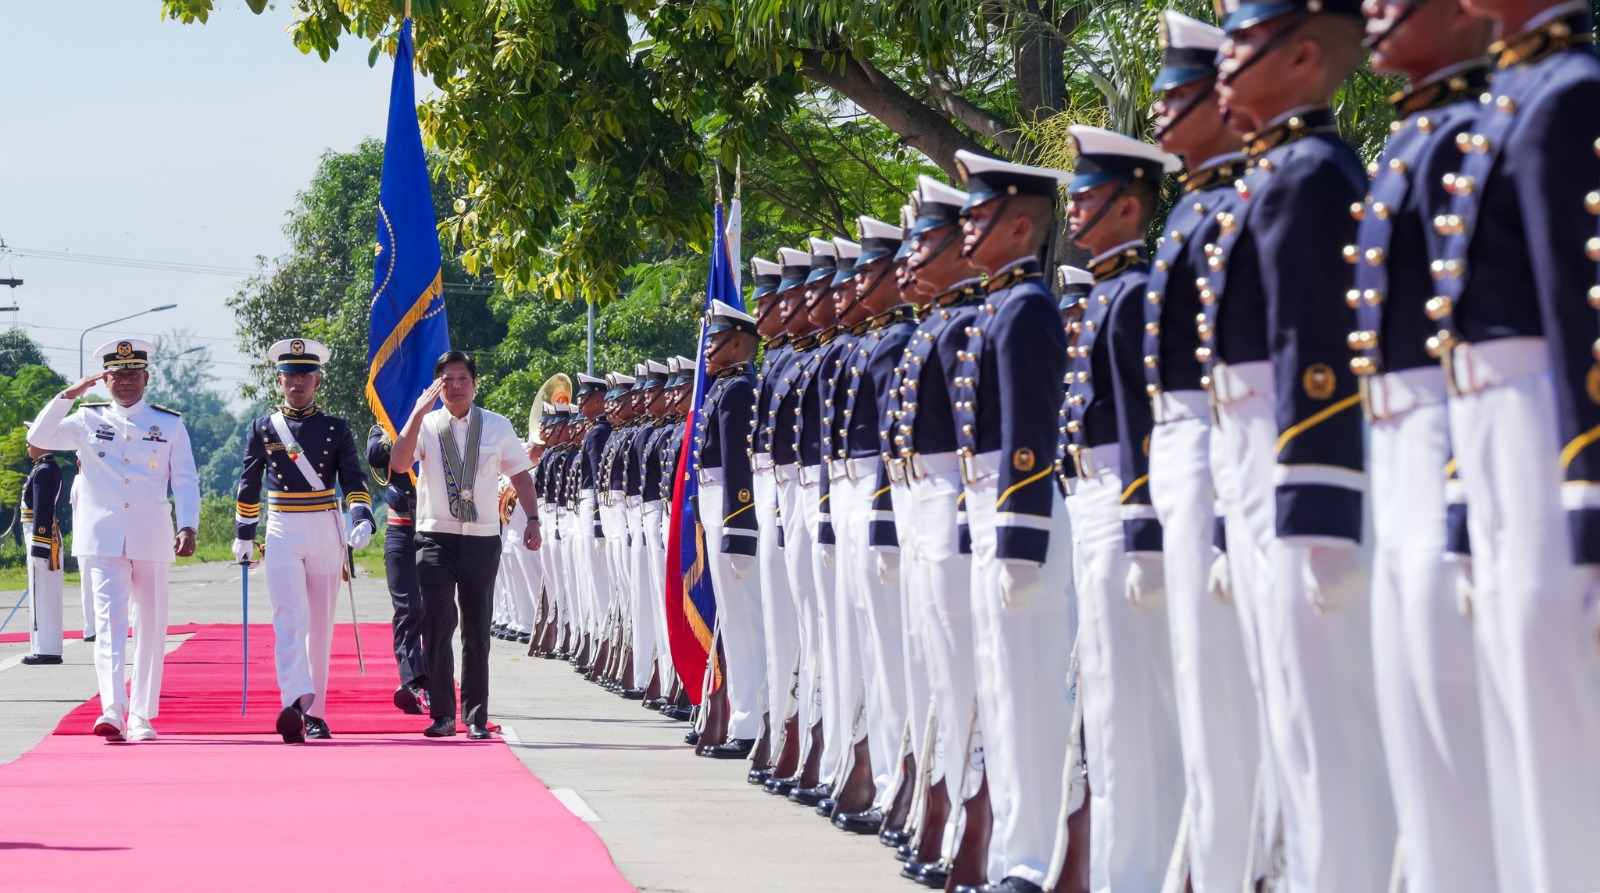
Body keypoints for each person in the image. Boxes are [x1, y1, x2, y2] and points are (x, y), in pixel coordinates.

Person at [1209, 0, 1396, 883]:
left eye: (1241, 42)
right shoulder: (1280, 170)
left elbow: (1315, 351)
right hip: (1254, 461)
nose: (1222, 63)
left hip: (1295, 467)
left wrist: (1316, 506)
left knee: (1326, 727)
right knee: (1288, 713)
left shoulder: (1312, 173)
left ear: (1304, 55)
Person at [1419, 0, 1600, 885]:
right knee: (1512, 721)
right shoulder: (1514, 93)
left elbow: (1586, 314)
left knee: (1561, 733)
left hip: (1544, 441)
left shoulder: (1570, 92)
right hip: (1492, 436)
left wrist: (1590, 496)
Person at [1351, 0, 1500, 887]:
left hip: (1452, 449)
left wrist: (1459, 484)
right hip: (1400, 451)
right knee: (1417, 729)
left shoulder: (1468, 132)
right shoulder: (1417, 137)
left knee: (1464, 733)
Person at [1144, 12, 1266, 888]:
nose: (1163, 115)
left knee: (1236, 697)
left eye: (1179, 96)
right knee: (1199, 691)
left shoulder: (1237, 206)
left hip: (1232, 452)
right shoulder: (1197, 210)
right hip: (1186, 451)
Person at [1054, 128, 1187, 890]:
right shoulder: (1111, 291)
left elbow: (1142, 420)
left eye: (1087, 194)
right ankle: (1119, 864)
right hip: (1095, 495)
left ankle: (1137, 867)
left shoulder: (1132, 295)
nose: (1074, 207)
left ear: (1130, 204)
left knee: (1133, 701)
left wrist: (1142, 521)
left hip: (1120, 500)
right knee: (1106, 696)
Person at [950, 150, 1075, 893]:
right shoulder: (999, 305)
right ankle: (1013, 850)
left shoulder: (1027, 309)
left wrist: (1018, 538)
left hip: (1022, 516)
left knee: (1029, 696)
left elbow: (1028, 429)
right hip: (995, 511)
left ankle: (1035, 858)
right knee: (1002, 691)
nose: (968, 225)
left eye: (979, 212)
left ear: (1020, 224)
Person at [27, 338, 200, 743]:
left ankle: (141, 715)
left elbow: (186, 479)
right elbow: (38, 438)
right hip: (102, 538)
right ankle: (112, 709)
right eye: (116, 375)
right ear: (105, 379)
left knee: (152, 627)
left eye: (132, 374)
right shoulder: (85, 420)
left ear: (146, 377)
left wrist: (188, 525)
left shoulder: (170, 423)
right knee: (108, 626)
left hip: (152, 535)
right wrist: (67, 396)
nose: (124, 382)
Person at [390, 350, 541, 739]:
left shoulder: (496, 426)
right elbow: (399, 462)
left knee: (476, 630)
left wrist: (533, 520)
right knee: (437, 627)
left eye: (463, 379)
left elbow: (521, 476)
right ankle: (442, 715)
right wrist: (415, 414)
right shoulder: (426, 425)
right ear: (437, 385)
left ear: (475, 384)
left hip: (482, 539)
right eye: (448, 380)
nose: (456, 387)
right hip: (435, 537)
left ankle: (475, 715)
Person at [232, 339, 376, 743]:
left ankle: (317, 713)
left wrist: (361, 517)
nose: (297, 382)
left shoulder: (336, 428)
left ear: (317, 379)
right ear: (279, 380)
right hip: (280, 528)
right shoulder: (263, 428)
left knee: (320, 626)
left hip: (325, 528)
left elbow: (353, 478)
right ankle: (295, 702)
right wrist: (244, 534)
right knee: (288, 619)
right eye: (290, 375)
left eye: (304, 375)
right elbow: (249, 482)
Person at [831, 214, 920, 835]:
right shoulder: (874, 342)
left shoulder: (900, 339)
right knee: (866, 643)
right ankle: (878, 771)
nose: (852, 286)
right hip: (852, 493)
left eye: (867, 271)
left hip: (892, 498)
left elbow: (894, 446)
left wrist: (884, 517)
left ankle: (900, 779)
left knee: (896, 650)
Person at [695, 300, 764, 758]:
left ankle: (751, 722)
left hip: (728, 506)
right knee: (734, 621)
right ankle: (744, 717)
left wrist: (739, 529)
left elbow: (738, 465)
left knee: (746, 622)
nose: (706, 347)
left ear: (737, 342)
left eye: (713, 338)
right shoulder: (723, 387)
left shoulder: (738, 390)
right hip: (712, 499)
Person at [747, 256, 801, 785]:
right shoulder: (780, 361)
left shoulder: (795, 360)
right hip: (782, 491)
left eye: (772, 300)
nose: (765, 309)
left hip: (811, 493)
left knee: (816, 629)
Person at [367, 423, 428, 714]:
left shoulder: (444, 428)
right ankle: (412, 682)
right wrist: (402, 433)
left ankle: (431, 680)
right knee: (407, 608)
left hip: (435, 533)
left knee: (432, 611)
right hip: (400, 533)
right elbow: (375, 455)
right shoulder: (390, 425)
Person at [20, 427, 65, 666]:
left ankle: (46, 648)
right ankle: (44, 646)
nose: (27, 445)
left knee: (42, 593)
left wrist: (40, 547)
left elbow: (43, 511)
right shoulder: (43, 468)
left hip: (42, 539)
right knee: (42, 593)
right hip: (42, 538)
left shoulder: (45, 471)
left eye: (31, 440)